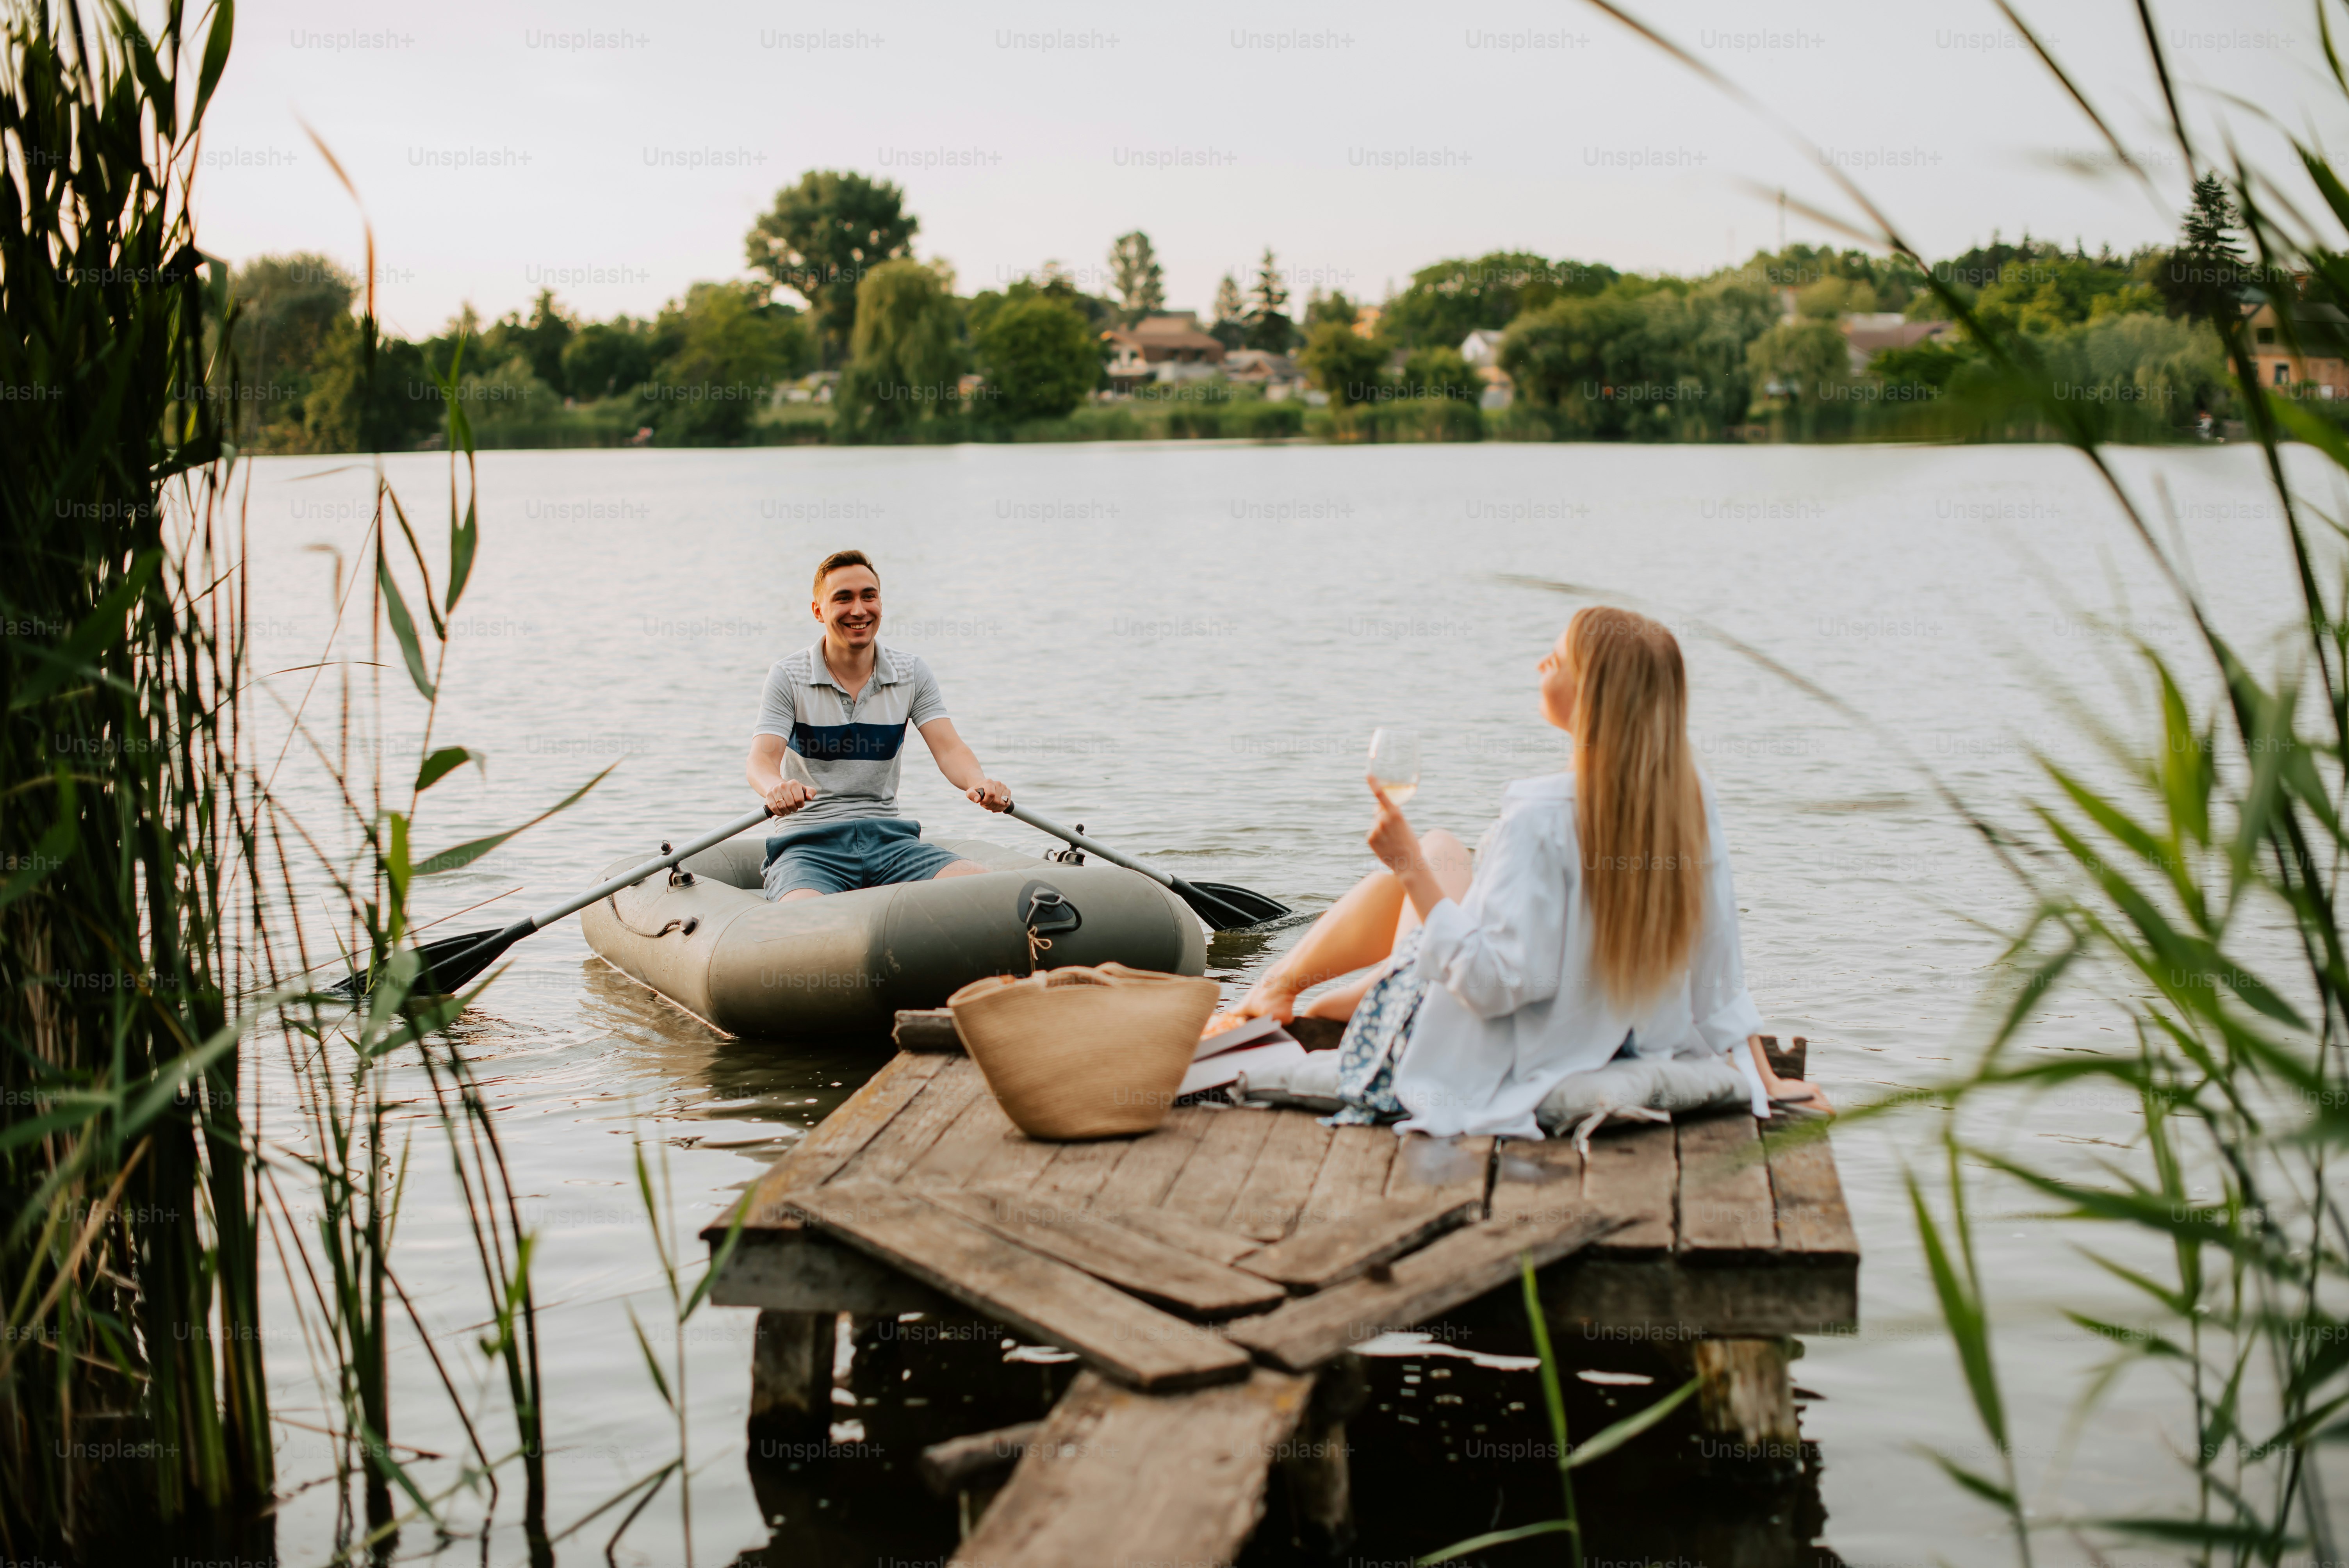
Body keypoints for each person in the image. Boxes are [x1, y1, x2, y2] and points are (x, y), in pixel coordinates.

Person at [1217, 606, 1829, 1138]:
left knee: (1422, 863)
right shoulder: (1690, 800)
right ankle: (1291, 990)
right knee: (1440, 851)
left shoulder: (1539, 815)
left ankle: (1283, 992)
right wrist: (1767, 1081)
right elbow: (1720, 968)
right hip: (1602, 1030)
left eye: (1557, 659)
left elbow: (1492, 984)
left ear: (1591, 694)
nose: (1541, 665)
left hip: (1493, 1039)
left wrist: (1409, 871)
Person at [746, 550, 1011, 901]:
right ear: (818, 611)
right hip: (808, 847)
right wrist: (775, 787)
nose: (859, 610)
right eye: (843, 599)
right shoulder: (788, 676)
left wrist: (979, 782)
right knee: (805, 920)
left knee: (986, 891)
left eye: (868, 596)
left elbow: (950, 748)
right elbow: (761, 762)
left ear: (881, 605)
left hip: (890, 842)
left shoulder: (911, 673)